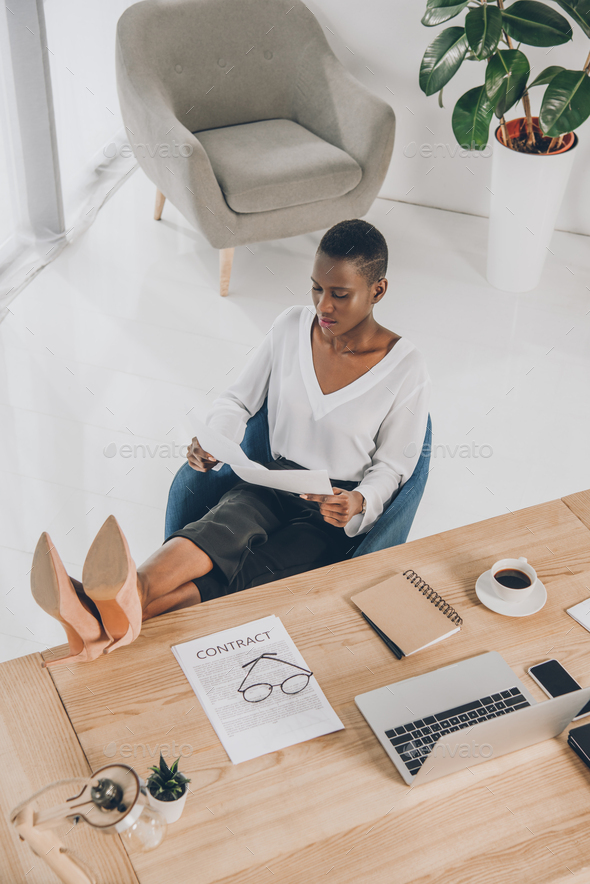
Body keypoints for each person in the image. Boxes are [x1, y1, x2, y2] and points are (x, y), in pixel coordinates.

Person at [30, 219, 431, 666]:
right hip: (269, 481)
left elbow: (395, 468)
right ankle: (131, 591)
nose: (324, 305)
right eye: (316, 289)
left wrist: (359, 501)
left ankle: (97, 619)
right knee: (217, 531)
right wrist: (215, 440)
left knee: (251, 576)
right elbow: (237, 400)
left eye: (340, 294)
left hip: (326, 513)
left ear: (378, 290)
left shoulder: (406, 368)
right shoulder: (290, 328)